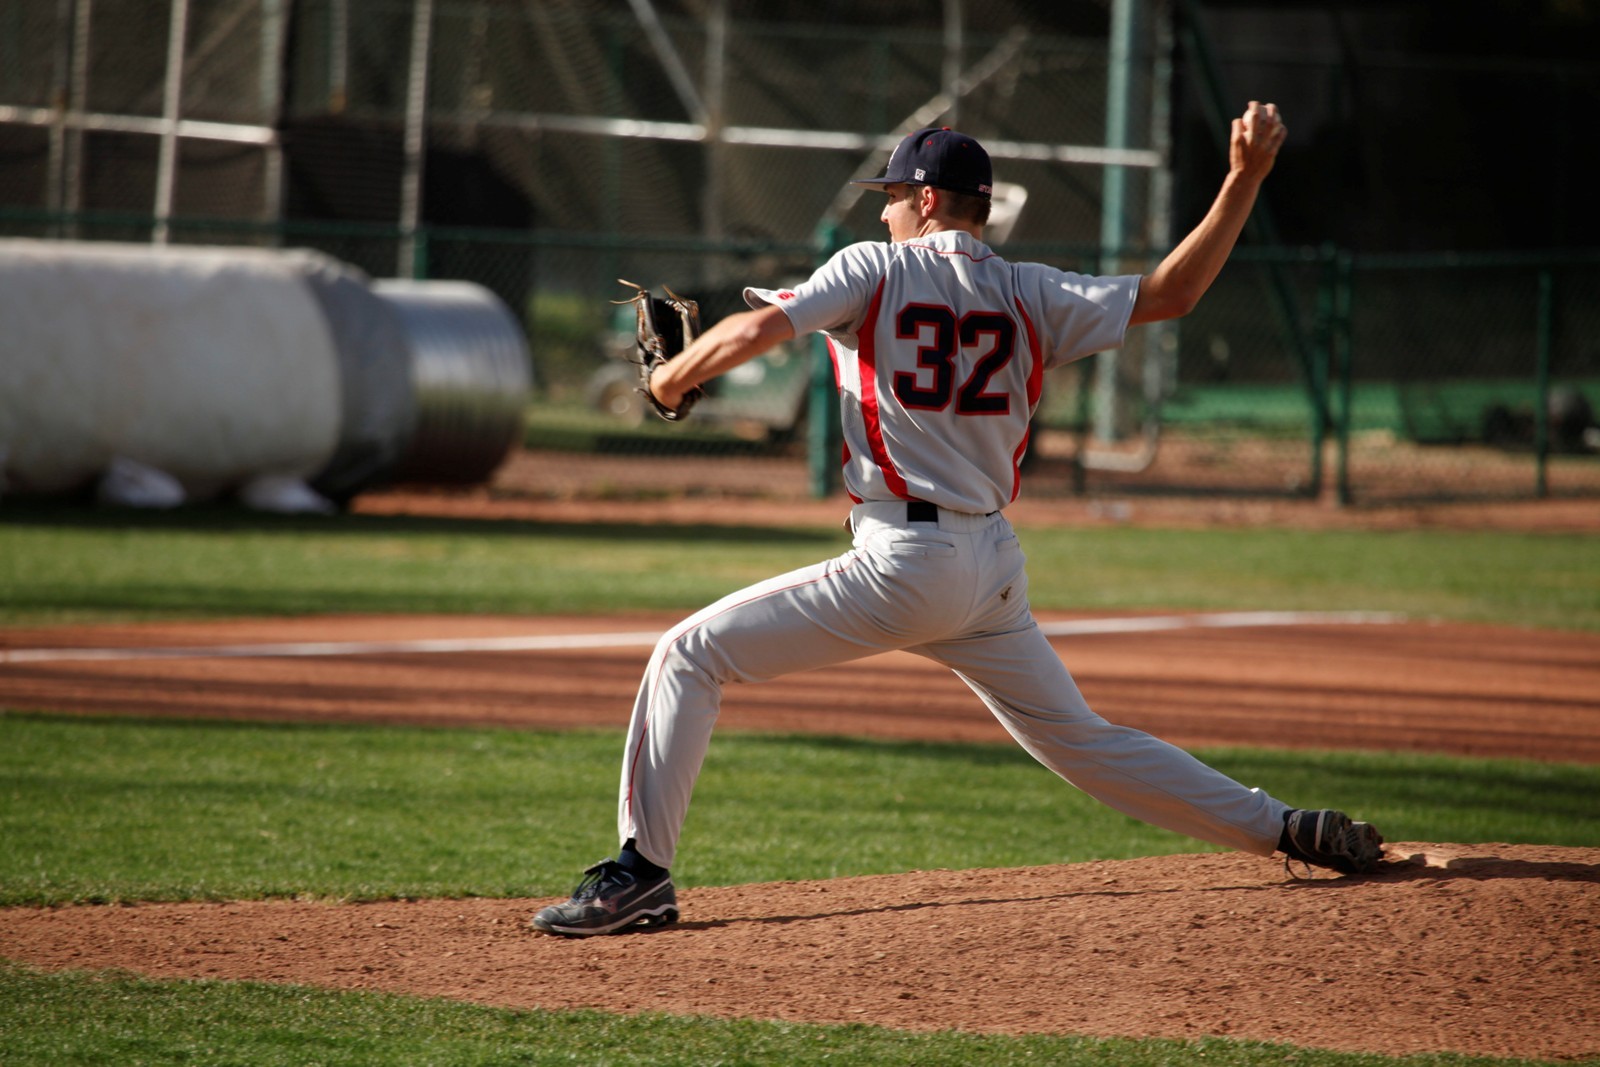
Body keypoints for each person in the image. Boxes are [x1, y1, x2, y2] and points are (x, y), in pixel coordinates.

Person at [532, 101, 1383, 937]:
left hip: (903, 561)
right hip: (990, 571)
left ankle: (638, 876)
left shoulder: (874, 267)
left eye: (894, 195)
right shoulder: (1028, 291)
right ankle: (1282, 826)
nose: (888, 209)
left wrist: (668, 380)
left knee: (688, 653)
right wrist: (1243, 179)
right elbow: (1174, 291)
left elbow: (760, 326)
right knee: (1082, 740)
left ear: (928, 200)